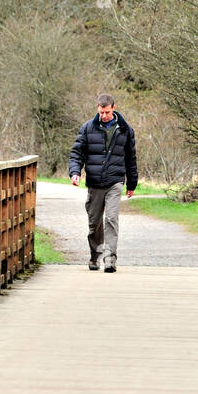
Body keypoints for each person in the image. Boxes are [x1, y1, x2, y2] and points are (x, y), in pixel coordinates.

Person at [69, 94, 138, 273]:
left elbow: (131, 158)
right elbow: (77, 153)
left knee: (112, 219)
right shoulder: (87, 128)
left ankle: (110, 260)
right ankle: (95, 255)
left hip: (115, 181)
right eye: (101, 112)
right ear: (97, 109)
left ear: (113, 108)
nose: (104, 116)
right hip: (94, 182)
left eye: (107, 112)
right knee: (94, 224)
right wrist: (75, 172)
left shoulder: (125, 130)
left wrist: (132, 183)